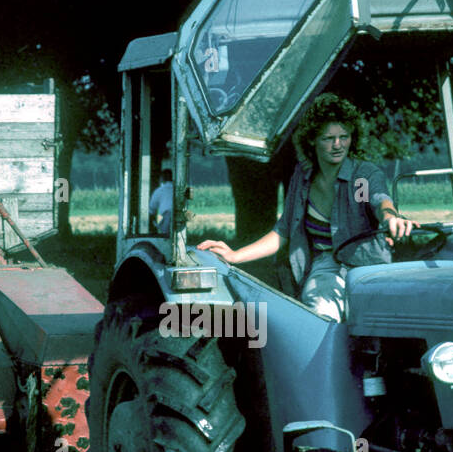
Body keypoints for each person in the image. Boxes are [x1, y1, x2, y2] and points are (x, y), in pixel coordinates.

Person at [197, 93, 414, 321]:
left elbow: (378, 200)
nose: (338, 145)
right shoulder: (302, 178)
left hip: (367, 266)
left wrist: (390, 217)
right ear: (312, 140)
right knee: (319, 311)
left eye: (344, 136)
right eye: (328, 138)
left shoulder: (360, 177)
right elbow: (282, 231)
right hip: (325, 267)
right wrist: (234, 255)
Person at [149, 168, 174, 234]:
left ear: (162, 178)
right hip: (179, 218)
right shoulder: (178, 190)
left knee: (166, 238)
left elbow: (152, 208)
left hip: (167, 218)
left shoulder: (159, 190)